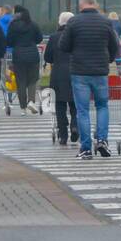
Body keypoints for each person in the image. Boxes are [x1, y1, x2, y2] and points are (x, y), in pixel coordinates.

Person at [60, 0, 120, 159]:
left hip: (79, 72)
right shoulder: (106, 22)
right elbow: (115, 45)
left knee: (83, 110)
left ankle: (86, 148)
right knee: (102, 106)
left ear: (81, 5)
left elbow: (63, 46)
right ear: (95, 4)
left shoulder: (73, 22)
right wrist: (109, 59)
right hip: (100, 71)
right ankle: (102, 140)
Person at [44, 11, 79, 144]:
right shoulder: (77, 37)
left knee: (59, 105)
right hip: (75, 72)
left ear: (59, 22)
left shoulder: (54, 37)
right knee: (75, 104)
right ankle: (75, 126)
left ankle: (63, 135)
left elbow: (47, 57)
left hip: (58, 74)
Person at [6, 5, 44, 113]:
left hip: (18, 56)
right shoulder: (33, 24)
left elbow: (8, 41)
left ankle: (23, 108)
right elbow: (39, 38)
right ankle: (31, 101)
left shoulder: (12, 25)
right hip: (33, 55)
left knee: (21, 81)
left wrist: (16, 43)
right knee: (32, 80)